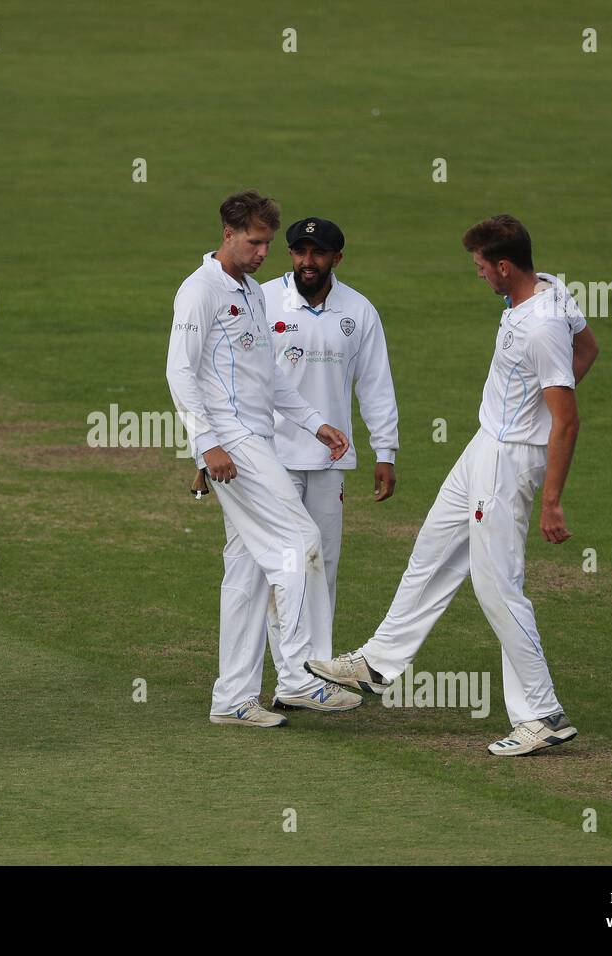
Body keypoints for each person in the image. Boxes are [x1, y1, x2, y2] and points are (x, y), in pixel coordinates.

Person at [307, 214, 599, 755]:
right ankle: (378, 662)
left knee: (497, 585)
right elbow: (589, 350)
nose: (479, 275)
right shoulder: (552, 289)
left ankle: (542, 713)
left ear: (505, 267)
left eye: (482, 267)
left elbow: (568, 418)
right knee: (433, 549)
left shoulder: (538, 325)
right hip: (486, 445)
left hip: (508, 460)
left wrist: (552, 499)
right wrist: (529, 406)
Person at [166, 190, 359, 728]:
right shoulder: (199, 290)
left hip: (258, 437)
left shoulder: (251, 292)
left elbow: (268, 376)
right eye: (254, 242)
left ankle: (232, 699)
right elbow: (179, 372)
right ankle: (300, 679)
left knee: (248, 573)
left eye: (267, 244)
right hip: (234, 443)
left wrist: (315, 423)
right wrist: (206, 444)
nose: (262, 254)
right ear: (228, 234)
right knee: (301, 543)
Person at [253, 217, 399, 708]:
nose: (306, 262)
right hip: (270, 455)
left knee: (322, 565)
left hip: (329, 459)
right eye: (298, 252)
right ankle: (292, 676)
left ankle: (315, 672)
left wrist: (386, 451)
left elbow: (376, 385)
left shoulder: (358, 312)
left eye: (317, 253)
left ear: (337, 257)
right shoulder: (265, 301)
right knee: (284, 565)